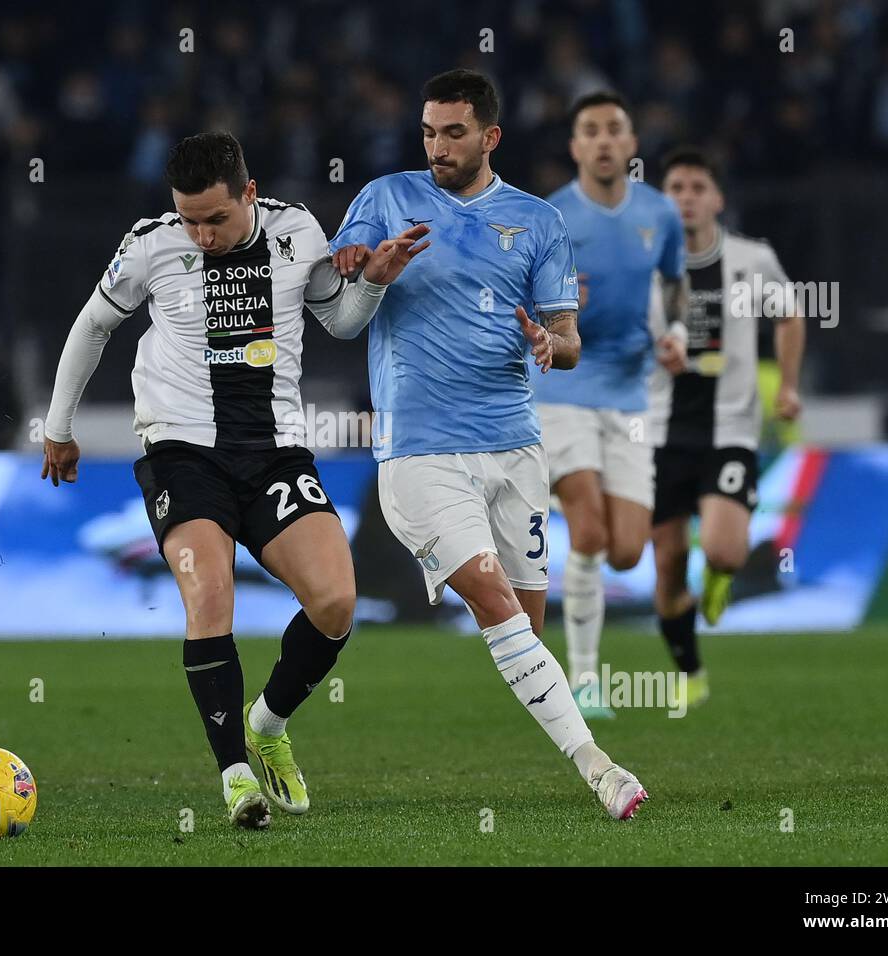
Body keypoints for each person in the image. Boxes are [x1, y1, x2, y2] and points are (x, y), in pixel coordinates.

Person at [41, 132, 425, 829]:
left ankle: (268, 725)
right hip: (182, 452)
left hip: (275, 452)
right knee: (209, 592)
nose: (202, 234)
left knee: (337, 602)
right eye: (189, 219)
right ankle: (235, 776)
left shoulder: (298, 231)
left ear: (248, 195)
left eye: (215, 219)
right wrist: (58, 426)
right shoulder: (152, 243)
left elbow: (339, 323)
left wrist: (373, 280)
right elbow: (94, 325)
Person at [330, 70, 647, 820]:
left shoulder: (536, 222)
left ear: (489, 136)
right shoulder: (384, 199)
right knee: (491, 596)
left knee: (523, 630)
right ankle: (599, 768)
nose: (438, 147)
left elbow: (569, 340)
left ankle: (269, 722)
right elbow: (341, 310)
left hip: (513, 445)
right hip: (419, 450)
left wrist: (548, 342)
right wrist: (365, 269)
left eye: (454, 133)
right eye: (429, 132)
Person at [532, 91, 688, 719]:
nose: (602, 140)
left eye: (613, 130)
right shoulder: (549, 218)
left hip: (630, 395)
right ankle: (586, 680)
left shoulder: (661, 214)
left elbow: (676, 288)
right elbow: (523, 303)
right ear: (575, 147)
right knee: (590, 531)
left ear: (631, 144)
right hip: (563, 390)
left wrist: (674, 334)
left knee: (626, 549)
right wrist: (559, 307)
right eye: (589, 131)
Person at [649, 146, 804, 703]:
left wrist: (787, 385)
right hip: (660, 432)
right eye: (676, 188)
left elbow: (789, 312)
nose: (686, 198)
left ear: (716, 198)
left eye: (697, 187)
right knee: (666, 565)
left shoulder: (750, 258)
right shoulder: (646, 262)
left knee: (723, 551)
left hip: (731, 428)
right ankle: (690, 671)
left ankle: (718, 577)